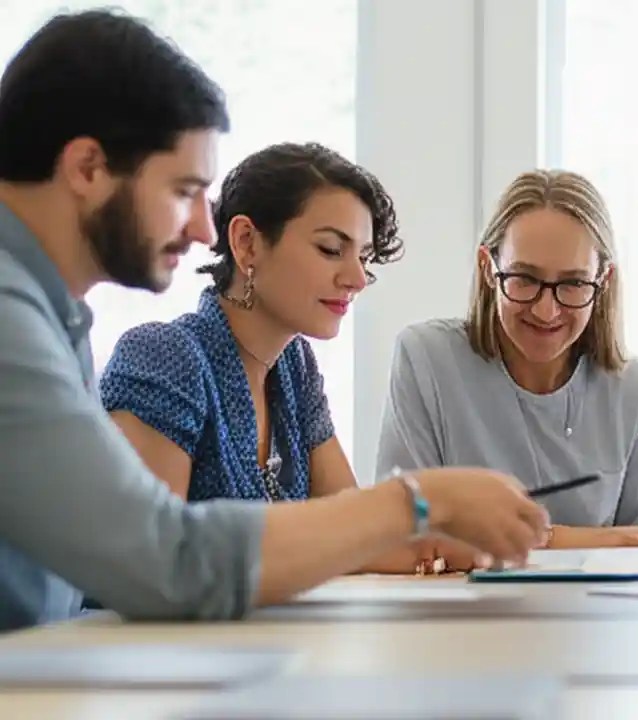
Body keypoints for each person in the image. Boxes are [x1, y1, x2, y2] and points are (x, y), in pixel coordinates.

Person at [0, 9, 545, 632]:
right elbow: (163, 560)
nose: (203, 229)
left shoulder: (50, 319)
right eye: (182, 190)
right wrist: (420, 500)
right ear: (87, 168)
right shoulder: (16, 323)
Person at [99, 142, 461, 574]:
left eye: (363, 257)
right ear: (247, 243)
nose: (358, 278)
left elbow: (358, 532)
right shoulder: (163, 357)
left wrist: (453, 539)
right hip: (148, 640)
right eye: (330, 249)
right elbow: (148, 562)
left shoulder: (295, 369)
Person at [377, 170, 638, 552]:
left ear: (604, 281)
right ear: (488, 269)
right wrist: (561, 539)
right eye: (524, 279)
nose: (547, 310)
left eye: (573, 284)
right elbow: (399, 533)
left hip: (593, 611)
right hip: (458, 610)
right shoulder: (425, 360)